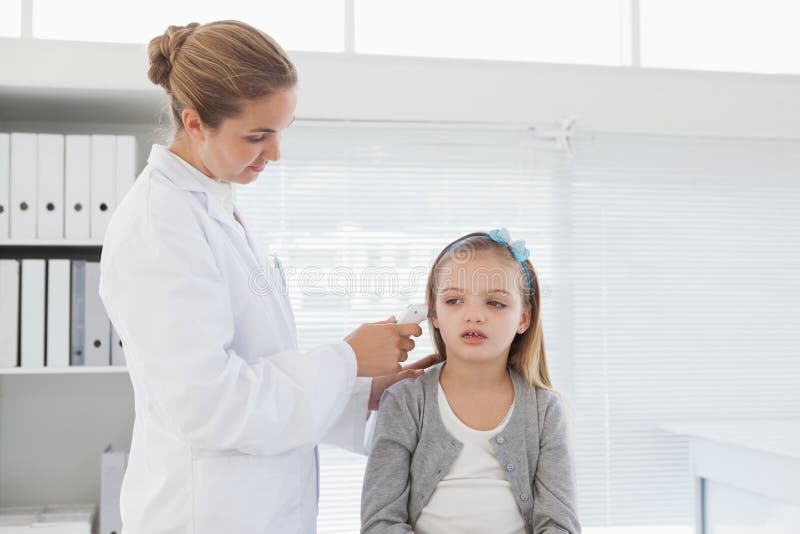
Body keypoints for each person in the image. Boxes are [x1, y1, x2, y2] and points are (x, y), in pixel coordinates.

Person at [99, 20, 436, 534]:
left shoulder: (213, 204)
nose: (274, 153)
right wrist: (346, 359)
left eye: (281, 131)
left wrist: (358, 391)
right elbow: (210, 405)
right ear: (194, 123)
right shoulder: (159, 227)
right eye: (257, 136)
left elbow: (256, 370)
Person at [361, 229, 581, 534]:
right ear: (434, 313)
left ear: (524, 319)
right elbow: (380, 522)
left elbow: (559, 524)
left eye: (495, 303)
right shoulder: (404, 402)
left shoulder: (545, 410)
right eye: (454, 300)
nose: (474, 315)